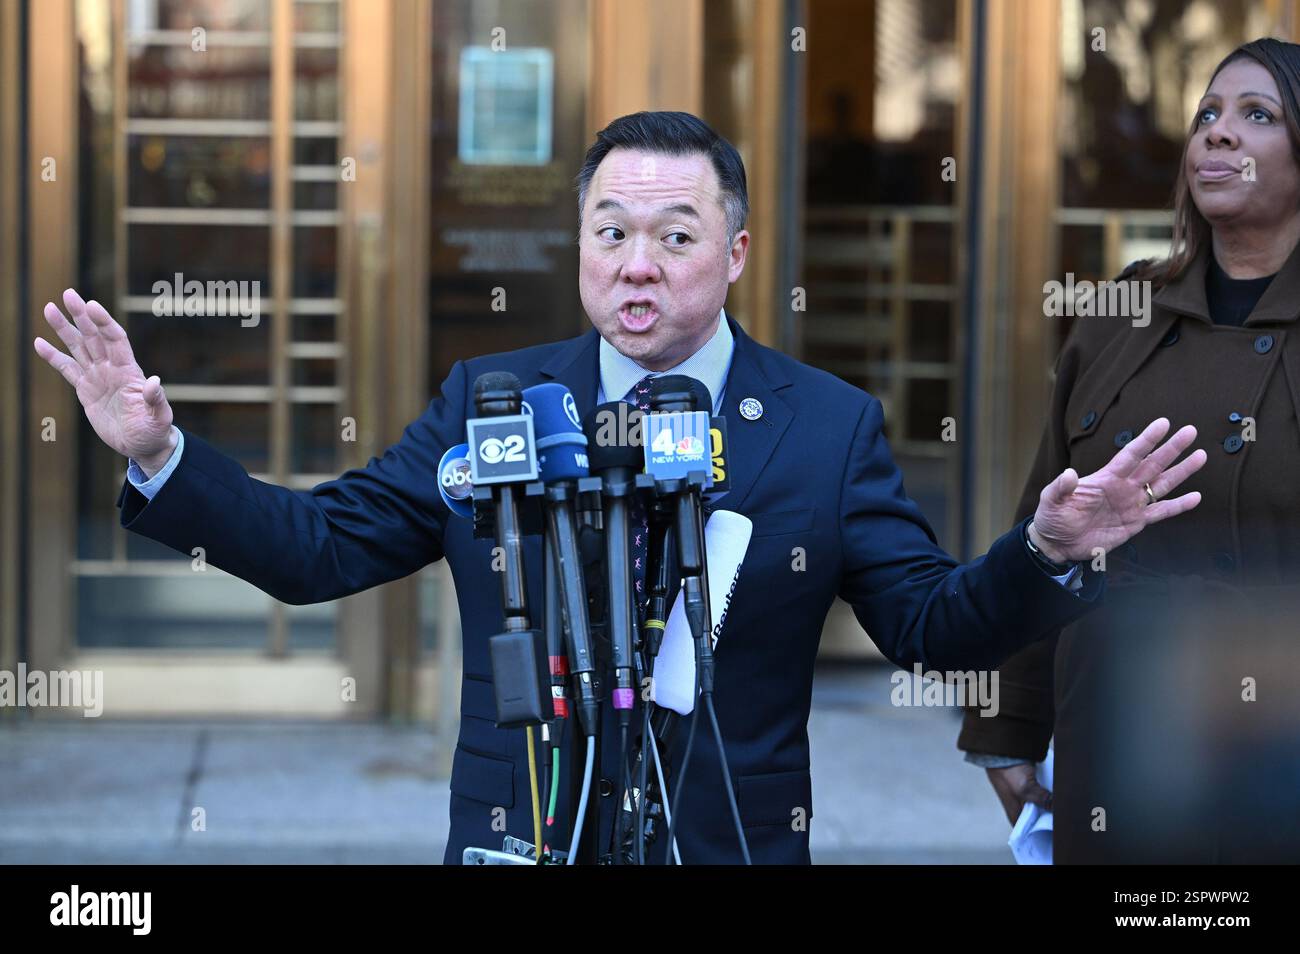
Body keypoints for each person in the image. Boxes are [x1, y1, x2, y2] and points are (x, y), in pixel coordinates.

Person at [35, 111, 1204, 864]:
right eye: (610, 231)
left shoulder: (824, 426)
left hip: (726, 841)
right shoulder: (489, 396)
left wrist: (1046, 550)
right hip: (519, 837)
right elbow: (316, 550)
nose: (635, 262)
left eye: (673, 234)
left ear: (736, 253)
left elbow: (928, 624)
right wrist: (159, 458)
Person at [959, 39, 1300, 863]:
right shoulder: (1120, 315)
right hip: (1112, 741)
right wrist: (1006, 721)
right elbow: (1042, 533)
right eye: (1207, 115)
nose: (1216, 134)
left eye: (1257, 115)